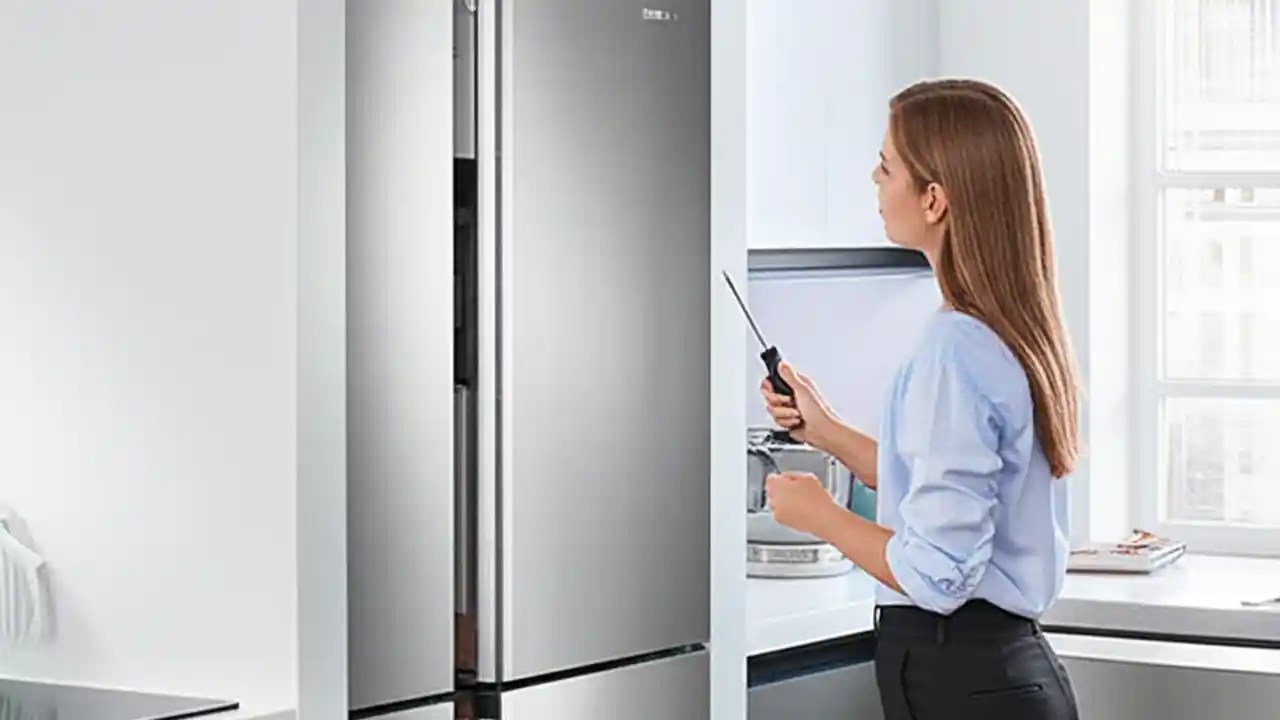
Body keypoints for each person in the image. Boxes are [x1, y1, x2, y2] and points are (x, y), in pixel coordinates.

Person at [760, 78, 1082, 720]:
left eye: (886, 166)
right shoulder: (1009, 330)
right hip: (1004, 675)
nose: (873, 180)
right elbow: (944, 488)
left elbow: (937, 574)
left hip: (966, 681)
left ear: (934, 198)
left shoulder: (954, 349)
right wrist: (826, 433)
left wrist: (817, 514)